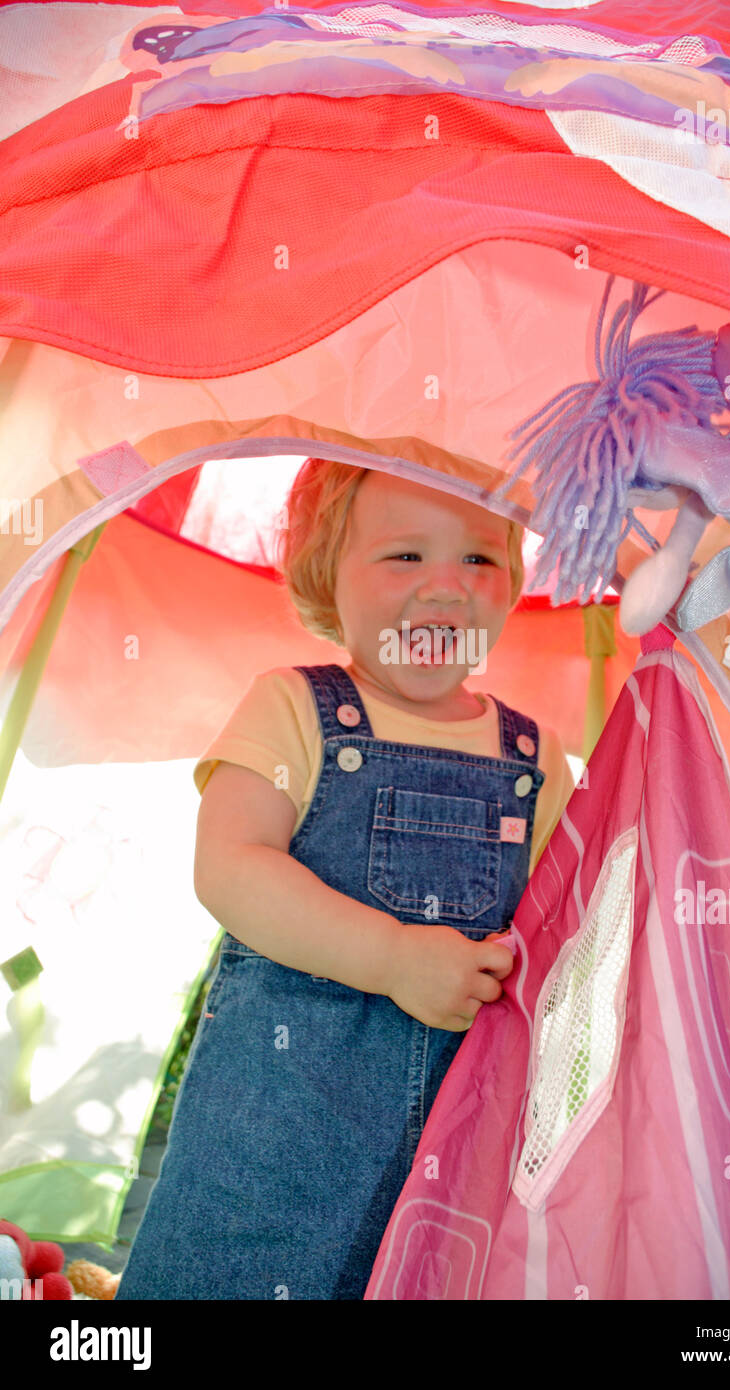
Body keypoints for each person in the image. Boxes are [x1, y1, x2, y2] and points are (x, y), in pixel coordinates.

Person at [115, 459, 575, 1300]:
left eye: (480, 559)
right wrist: (393, 956)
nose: (445, 586)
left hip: (454, 1143)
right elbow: (229, 865)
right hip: (270, 1136)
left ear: (513, 584)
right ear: (330, 574)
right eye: (405, 557)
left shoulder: (535, 757)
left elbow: (564, 930)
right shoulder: (293, 707)